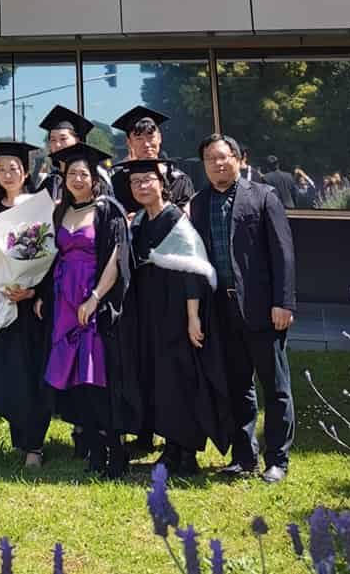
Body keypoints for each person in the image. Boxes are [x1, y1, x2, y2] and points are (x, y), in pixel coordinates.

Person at [190, 134, 296, 484]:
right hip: (222, 309)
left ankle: (277, 459)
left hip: (262, 309)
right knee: (237, 386)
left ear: (239, 159)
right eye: (210, 159)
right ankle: (244, 455)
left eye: (223, 157)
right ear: (203, 164)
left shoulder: (263, 196)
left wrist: (283, 302)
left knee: (275, 386)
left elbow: (283, 253)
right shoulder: (200, 203)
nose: (217, 164)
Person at [118, 159, 232, 477]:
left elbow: (192, 270)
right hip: (152, 314)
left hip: (177, 312)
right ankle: (173, 450)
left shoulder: (174, 219)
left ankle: (184, 454)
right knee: (161, 380)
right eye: (136, 182)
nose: (142, 186)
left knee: (180, 380)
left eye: (148, 180)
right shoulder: (140, 221)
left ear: (161, 183)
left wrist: (193, 316)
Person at [37, 141, 131, 479]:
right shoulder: (61, 211)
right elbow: (53, 256)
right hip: (65, 302)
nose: (78, 178)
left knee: (99, 379)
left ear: (94, 178)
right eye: (72, 173)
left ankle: (116, 455)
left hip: (95, 303)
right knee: (76, 379)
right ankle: (92, 450)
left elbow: (116, 259)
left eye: (84, 173)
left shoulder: (109, 210)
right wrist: (42, 295)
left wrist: (94, 298)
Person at [0, 141, 52, 469]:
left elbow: (51, 257)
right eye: (1, 169)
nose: (7, 174)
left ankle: (34, 445)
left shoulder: (40, 209)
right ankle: (19, 438)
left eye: (13, 168)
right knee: (9, 374)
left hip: (30, 308)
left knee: (32, 373)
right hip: (3, 302)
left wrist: (34, 292)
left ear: (25, 172)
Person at [110, 106, 194, 216]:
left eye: (150, 136)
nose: (146, 144)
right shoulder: (118, 182)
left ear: (159, 138)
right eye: (139, 138)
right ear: (129, 143)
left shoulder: (179, 180)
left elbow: (187, 221)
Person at [35, 106, 109, 200]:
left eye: (63, 138)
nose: (57, 144)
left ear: (77, 140)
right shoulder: (51, 181)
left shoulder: (95, 177)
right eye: (53, 139)